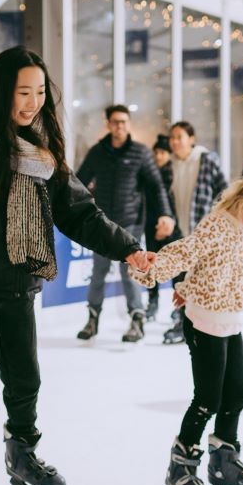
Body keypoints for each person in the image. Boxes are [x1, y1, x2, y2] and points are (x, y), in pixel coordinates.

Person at [0, 47, 155, 485]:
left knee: (25, 379)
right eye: (21, 92)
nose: (31, 103)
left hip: (18, 280)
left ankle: (22, 455)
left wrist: (129, 250)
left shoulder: (42, 153)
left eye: (39, 93)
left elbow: (80, 213)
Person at [129, 170, 243, 485]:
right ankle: (181, 468)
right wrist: (150, 268)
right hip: (204, 323)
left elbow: (220, 270)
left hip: (230, 321)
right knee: (207, 399)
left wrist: (189, 288)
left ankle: (224, 463)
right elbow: (186, 254)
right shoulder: (218, 225)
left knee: (236, 394)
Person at [74, 105, 175, 342]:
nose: (120, 126)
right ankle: (92, 318)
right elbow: (78, 182)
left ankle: (136, 320)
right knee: (98, 272)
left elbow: (156, 187)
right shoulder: (97, 152)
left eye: (124, 122)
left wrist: (165, 214)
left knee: (131, 271)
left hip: (130, 223)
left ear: (128, 124)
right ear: (108, 124)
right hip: (102, 225)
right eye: (115, 122)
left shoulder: (140, 153)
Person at [162, 121, 230, 344]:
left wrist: (217, 224)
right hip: (179, 232)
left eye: (179, 136)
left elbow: (224, 191)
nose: (175, 141)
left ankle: (201, 325)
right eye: (172, 137)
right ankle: (182, 323)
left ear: (191, 139)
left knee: (201, 278)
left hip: (203, 232)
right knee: (180, 279)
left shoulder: (206, 160)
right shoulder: (169, 166)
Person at [143, 134, 181, 322]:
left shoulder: (173, 174)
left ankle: (178, 306)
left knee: (176, 268)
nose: (159, 156)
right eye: (156, 152)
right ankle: (152, 302)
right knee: (151, 266)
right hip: (150, 226)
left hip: (171, 227)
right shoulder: (149, 174)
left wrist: (167, 223)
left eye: (163, 152)